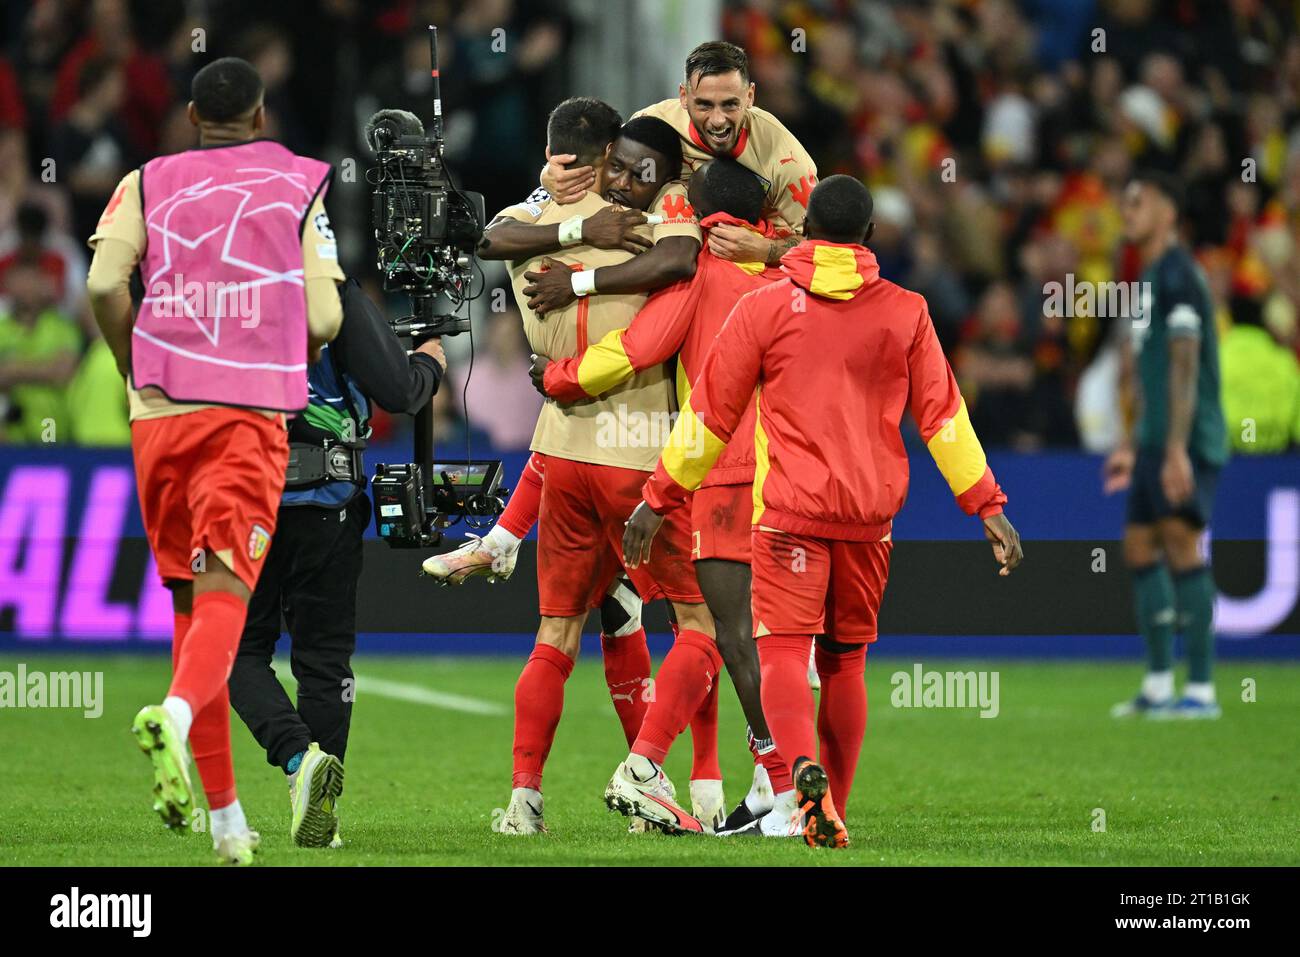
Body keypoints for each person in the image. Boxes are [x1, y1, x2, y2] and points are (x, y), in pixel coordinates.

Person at [621, 176, 1023, 847]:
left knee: (782, 652)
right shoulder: (907, 311)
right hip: (869, 523)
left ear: (805, 231)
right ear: (869, 237)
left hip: (789, 517)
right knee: (844, 663)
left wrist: (657, 497)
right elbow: (943, 417)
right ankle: (829, 803)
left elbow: (709, 419)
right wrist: (987, 504)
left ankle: (795, 785)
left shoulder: (764, 308)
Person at [86, 57, 343, 864]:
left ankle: (228, 823)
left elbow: (100, 282)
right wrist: (273, 350)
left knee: (193, 605)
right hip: (242, 414)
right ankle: (174, 712)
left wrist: (135, 365)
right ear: (261, 115)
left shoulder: (146, 179)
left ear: (192, 116)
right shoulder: (297, 182)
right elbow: (329, 315)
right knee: (229, 592)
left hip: (156, 414)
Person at [533, 157, 800, 836]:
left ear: (702, 214)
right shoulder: (791, 281)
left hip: (718, 474)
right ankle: (780, 783)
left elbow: (636, 346)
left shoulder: (699, 273)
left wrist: (559, 376)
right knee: (784, 640)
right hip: (797, 482)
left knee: (709, 628)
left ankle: (648, 765)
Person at [489, 109, 717, 835]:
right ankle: (671, 775)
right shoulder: (653, 219)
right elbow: (681, 265)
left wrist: (569, 238)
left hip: (562, 453)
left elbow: (489, 237)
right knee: (699, 619)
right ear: (607, 154)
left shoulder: (540, 220)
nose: (624, 176)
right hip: (639, 450)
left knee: (556, 632)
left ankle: (524, 800)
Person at [228, 278, 446, 848]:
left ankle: (301, 761)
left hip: (242, 500)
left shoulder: (219, 290)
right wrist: (428, 364)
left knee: (234, 652)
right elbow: (399, 391)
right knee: (324, 662)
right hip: (327, 503)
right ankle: (320, 812)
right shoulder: (332, 293)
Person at [1105, 171, 1228, 719]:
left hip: (1187, 438)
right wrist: (1132, 442)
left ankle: (1200, 690)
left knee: (1180, 543)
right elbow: (1141, 372)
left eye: (1140, 199)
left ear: (1170, 214)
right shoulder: (1149, 277)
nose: (1128, 209)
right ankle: (1158, 685)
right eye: (1126, 201)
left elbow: (1184, 362)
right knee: (1137, 546)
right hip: (1155, 440)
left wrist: (1177, 446)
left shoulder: (1178, 276)